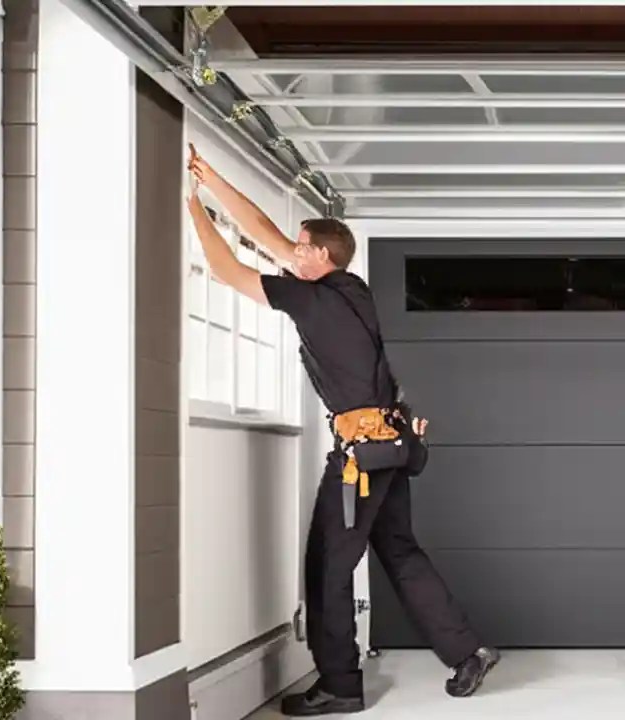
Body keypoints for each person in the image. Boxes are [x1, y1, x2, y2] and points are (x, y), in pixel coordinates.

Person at [184, 145, 499, 716]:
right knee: (399, 550)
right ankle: (467, 651)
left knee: (328, 563)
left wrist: (192, 207)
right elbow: (266, 232)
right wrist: (213, 180)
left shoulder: (310, 300)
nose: (291, 251)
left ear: (320, 256)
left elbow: (228, 269)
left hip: (362, 458)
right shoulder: (349, 290)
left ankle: (340, 685)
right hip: (393, 447)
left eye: (300, 247)